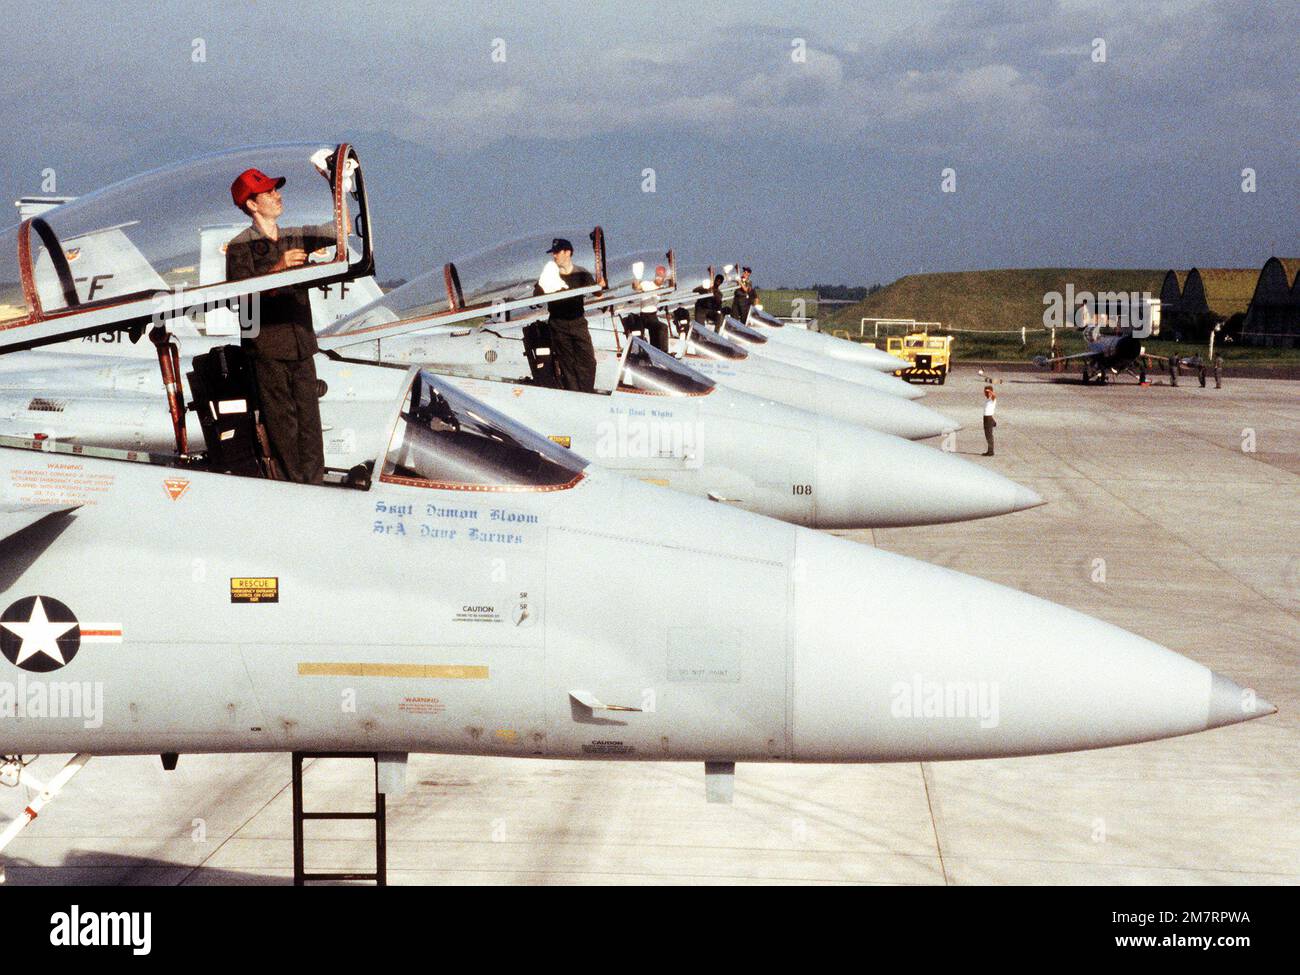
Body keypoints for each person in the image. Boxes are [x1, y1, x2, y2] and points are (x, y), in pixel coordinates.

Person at [224, 166, 345, 484]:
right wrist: (277, 270)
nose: (277, 196)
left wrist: (338, 188)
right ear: (252, 204)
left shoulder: (295, 237)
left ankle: (314, 485)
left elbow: (338, 230)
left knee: (310, 424)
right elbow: (240, 294)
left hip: (301, 346)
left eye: (276, 190)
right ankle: (293, 488)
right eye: (269, 192)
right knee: (282, 427)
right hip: (268, 351)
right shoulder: (240, 247)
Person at [534, 238, 601, 393]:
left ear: (568, 252)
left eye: (557, 252)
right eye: (553, 253)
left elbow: (597, 292)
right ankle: (575, 396)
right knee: (567, 364)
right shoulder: (549, 274)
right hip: (559, 325)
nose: (554, 256)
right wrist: (543, 289)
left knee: (588, 362)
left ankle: (587, 394)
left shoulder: (582, 273)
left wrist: (600, 286)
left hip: (578, 323)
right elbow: (537, 295)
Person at [630, 264, 670, 352]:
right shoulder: (647, 284)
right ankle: (662, 354)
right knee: (661, 327)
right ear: (655, 276)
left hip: (653, 316)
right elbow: (636, 287)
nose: (659, 279)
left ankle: (659, 353)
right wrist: (637, 277)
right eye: (658, 276)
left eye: (661, 277)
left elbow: (669, 291)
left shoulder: (662, 289)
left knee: (659, 330)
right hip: (644, 316)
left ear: (664, 278)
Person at [982, 385, 997, 456]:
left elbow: (994, 396)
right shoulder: (988, 399)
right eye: (985, 391)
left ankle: (991, 451)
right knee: (987, 435)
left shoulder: (992, 399)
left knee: (989, 435)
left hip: (988, 418)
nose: (985, 393)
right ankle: (989, 450)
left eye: (986, 392)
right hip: (986, 418)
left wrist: (990, 392)